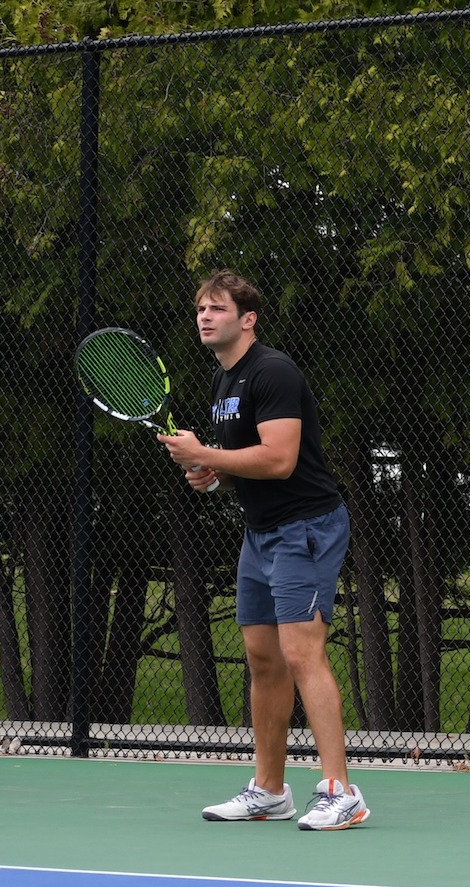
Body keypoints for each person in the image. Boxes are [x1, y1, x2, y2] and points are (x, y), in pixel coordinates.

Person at [157, 270, 368, 831]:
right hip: (260, 532)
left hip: (306, 528)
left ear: (247, 319)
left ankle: (341, 791)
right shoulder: (223, 384)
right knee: (264, 660)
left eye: (217, 308)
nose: (204, 316)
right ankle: (270, 791)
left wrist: (210, 454)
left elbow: (279, 459)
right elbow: (244, 464)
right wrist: (212, 472)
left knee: (303, 654)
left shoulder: (272, 371)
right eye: (200, 308)